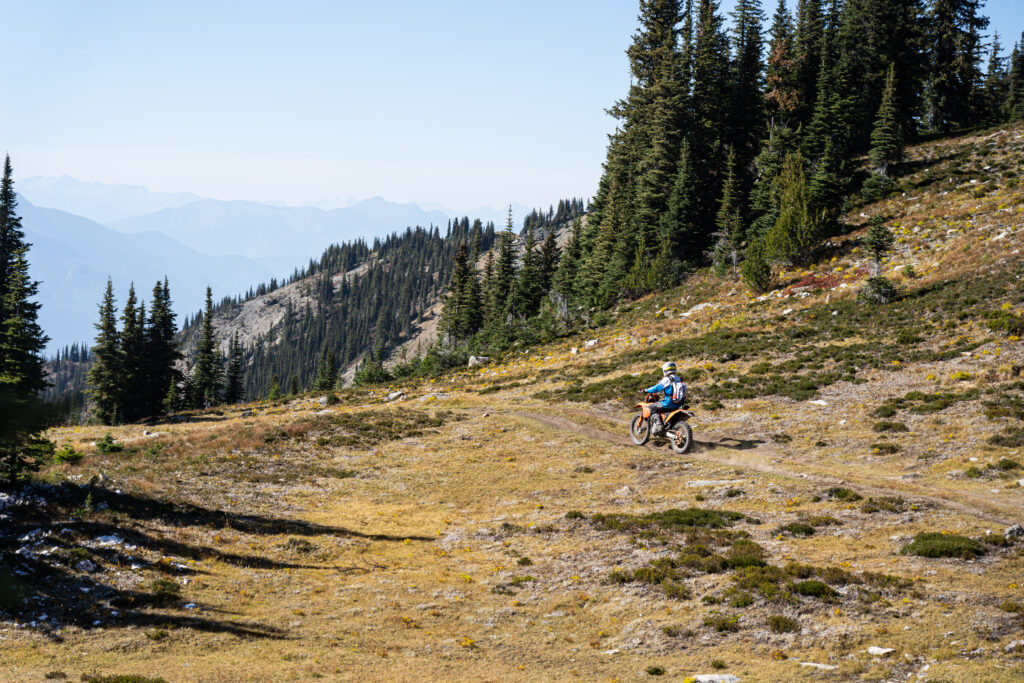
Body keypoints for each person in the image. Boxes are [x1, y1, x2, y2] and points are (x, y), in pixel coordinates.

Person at [642, 361, 687, 433]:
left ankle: (659, 425)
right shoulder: (679, 379)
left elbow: (656, 388)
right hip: (679, 403)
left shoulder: (667, 379)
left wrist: (646, 390)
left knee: (651, 407)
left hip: (668, 403)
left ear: (665, 370)